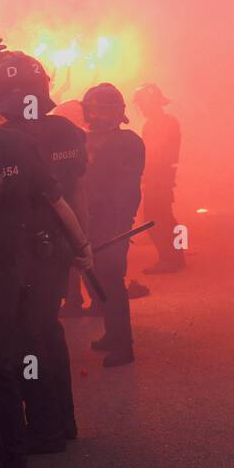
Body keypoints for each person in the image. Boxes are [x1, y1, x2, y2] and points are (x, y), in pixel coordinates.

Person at [0, 54, 90, 450]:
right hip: (58, 248)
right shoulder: (66, 132)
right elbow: (77, 195)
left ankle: (45, 429)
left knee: (26, 339)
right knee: (48, 331)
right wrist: (82, 245)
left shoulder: (4, 143)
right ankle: (63, 421)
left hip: (20, 255)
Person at [84, 84, 145, 367]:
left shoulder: (127, 142)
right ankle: (111, 333)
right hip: (93, 222)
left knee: (111, 280)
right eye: (93, 111)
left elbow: (125, 189)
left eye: (99, 111)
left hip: (113, 223)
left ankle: (123, 345)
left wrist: (119, 225)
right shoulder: (87, 141)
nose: (94, 116)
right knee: (97, 279)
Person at [134, 83, 184, 273]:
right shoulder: (155, 124)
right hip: (157, 177)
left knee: (157, 219)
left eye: (143, 105)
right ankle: (175, 258)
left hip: (159, 178)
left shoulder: (165, 124)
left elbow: (156, 153)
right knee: (165, 218)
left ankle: (168, 259)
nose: (141, 109)